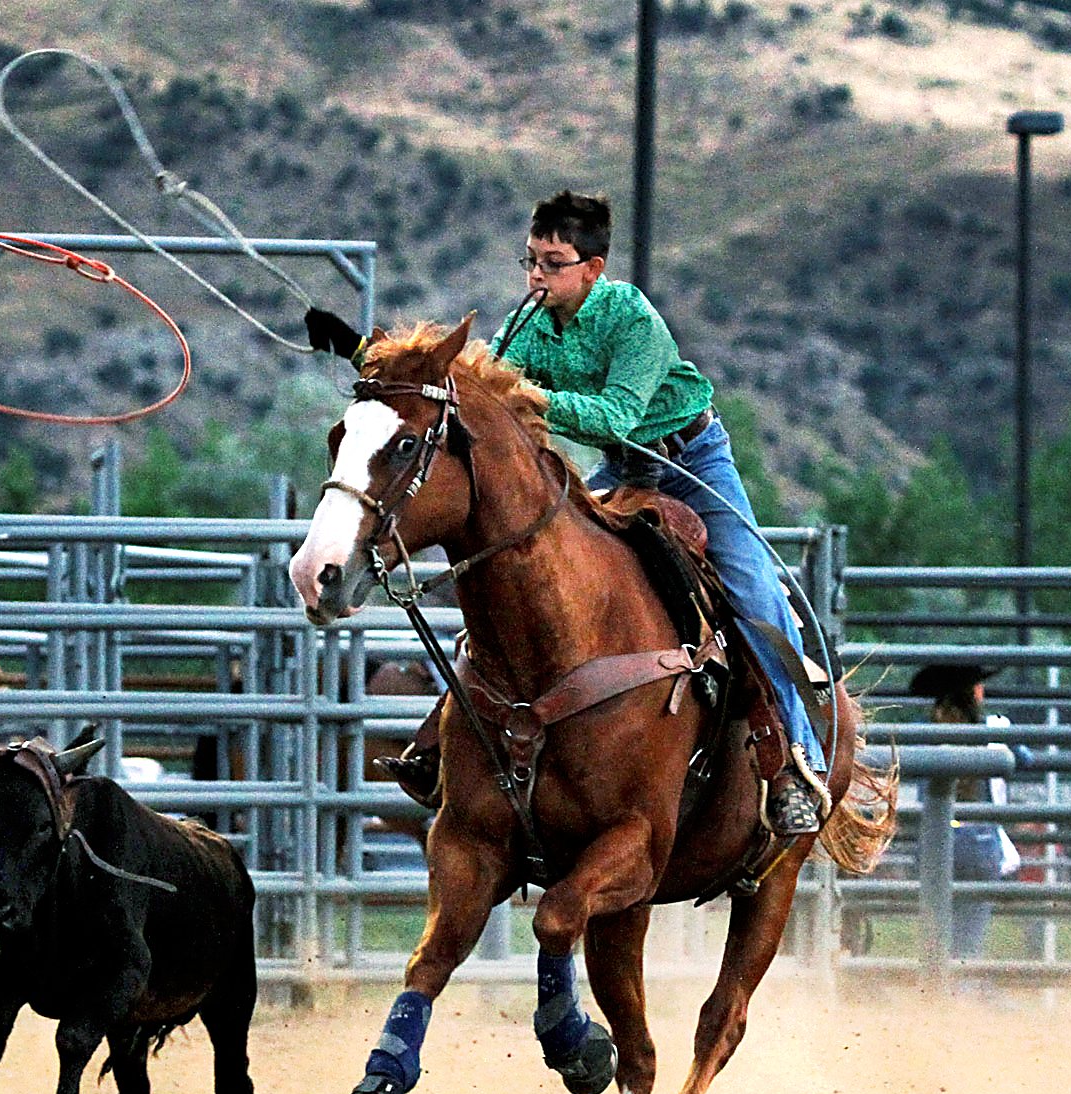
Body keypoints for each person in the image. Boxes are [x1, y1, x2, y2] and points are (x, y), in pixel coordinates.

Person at [304, 190, 830, 836]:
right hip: (622, 467)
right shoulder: (527, 322)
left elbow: (615, 416)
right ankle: (443, 737)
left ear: (593, 268)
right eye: (531, 261)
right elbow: (463, 383)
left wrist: (518, 396)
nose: (536, 276)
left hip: (693, 461)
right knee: (528, 582)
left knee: (752, 592)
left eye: (553, 262)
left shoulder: (633, 319)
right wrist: (359, 350)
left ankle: (795, 764)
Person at [909, 662, 1029, 963]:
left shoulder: (924, 731)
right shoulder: (996, 729)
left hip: (935, 840)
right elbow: (1025, 759)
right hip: (980, 841)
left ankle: (935, 990)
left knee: (935, 930)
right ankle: (965, 989)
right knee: (970, 934)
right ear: (975, 692)